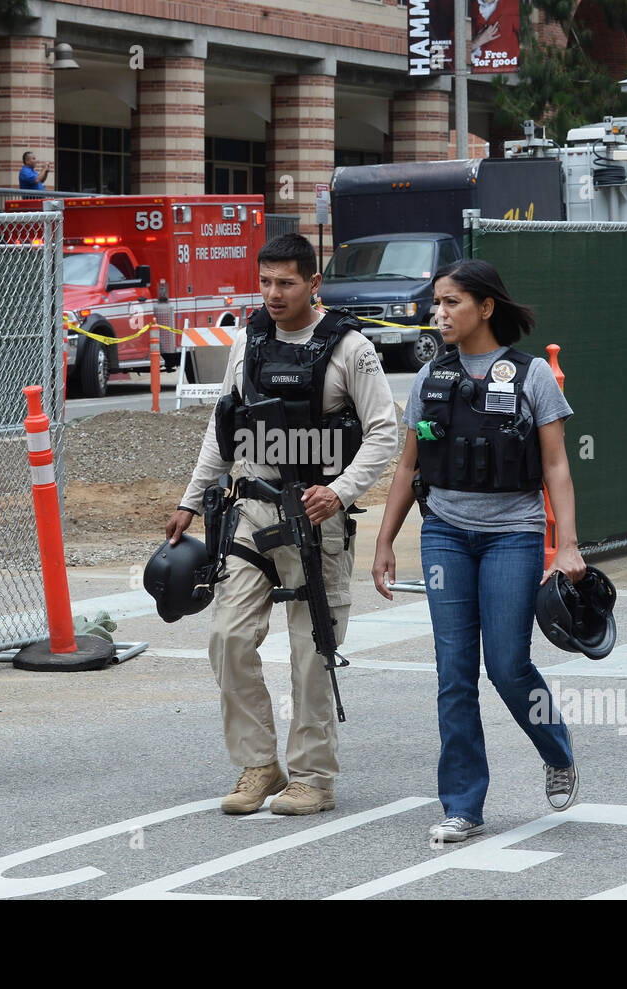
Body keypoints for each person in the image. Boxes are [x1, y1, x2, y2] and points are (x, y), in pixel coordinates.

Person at [166, 233, 398, 816]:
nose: (272, 293)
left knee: (311, 650)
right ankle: (258, 764)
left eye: (286, 283)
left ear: (313, 283)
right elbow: (223, 428)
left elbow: (384, 433)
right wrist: (191, 500)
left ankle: (313, 778)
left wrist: (340, 493)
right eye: (265, 282)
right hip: (253, 509)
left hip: (317, 516)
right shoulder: (251, 341)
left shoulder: (350, 349)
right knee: (227, 636)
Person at [371, 258, 583, 843]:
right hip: (444, 533)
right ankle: (463, 803)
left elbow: (557, 465)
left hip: (512, 534)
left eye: (451, 303)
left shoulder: (531, 374)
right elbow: (408, 465)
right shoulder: (428, 379)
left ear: (485, 308)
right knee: (454, 673)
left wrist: (565, 544)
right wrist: (386, 541)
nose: (439, 314)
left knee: (508, 666)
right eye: (436, 303)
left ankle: (556, 748)